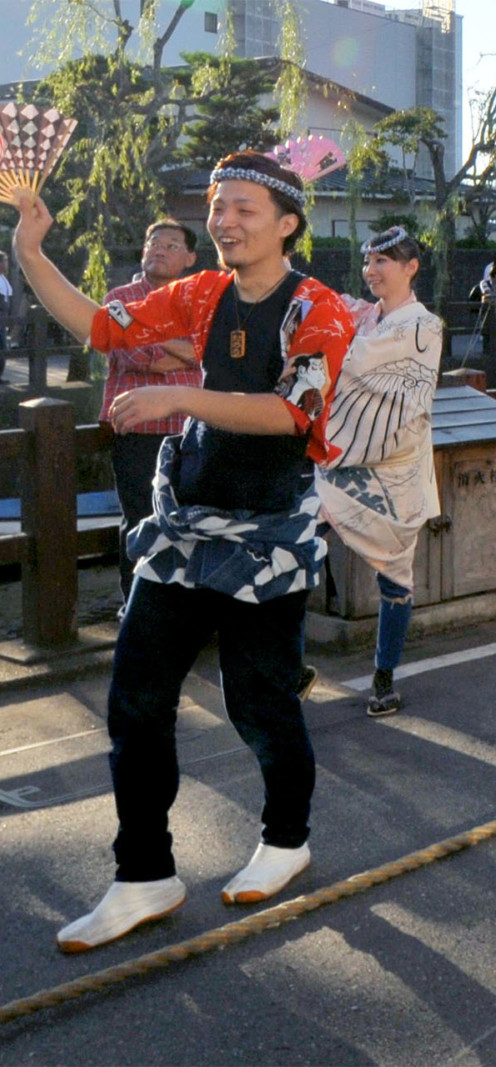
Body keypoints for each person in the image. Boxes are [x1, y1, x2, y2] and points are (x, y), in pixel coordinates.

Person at [8, 151, 353, 951]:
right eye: (217, 206)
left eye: (243, 209)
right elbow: (101, 327)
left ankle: (286, 838)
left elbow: (292, 413)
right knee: (135, 694)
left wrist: (178, 393)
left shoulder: (319, 308)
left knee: (257, 699)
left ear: (287, 224)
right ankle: (143, 874)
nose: (223, 220)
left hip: (267, 530)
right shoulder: (202, 293)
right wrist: (29, 250)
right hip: (186, 520)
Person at [315, 227, 442, 716]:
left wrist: (338, 351)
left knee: (395, 577)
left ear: (411, 267)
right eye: (368, 262)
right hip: (343, 458)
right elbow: (323, 313)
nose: (371, 271)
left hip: (396, 463)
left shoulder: (424, 326)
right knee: (297, 545)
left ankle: (383, 676)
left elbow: (361, 365)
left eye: (382, 261)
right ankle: (284, 663)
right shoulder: (363, 315)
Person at [101, 220, 201, 603]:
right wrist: (183, 350)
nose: (159, 249)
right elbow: (137, 356)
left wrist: (157, 336)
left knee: (192, 517)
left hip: (191, 427)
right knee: (141, 516)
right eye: (153, 242)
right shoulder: (118, 302)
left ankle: (183, 607)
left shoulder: (199, 302)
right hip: (139, 427)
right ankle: (135, 606)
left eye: (171, 245)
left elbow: (207, 352)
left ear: (189, 258)